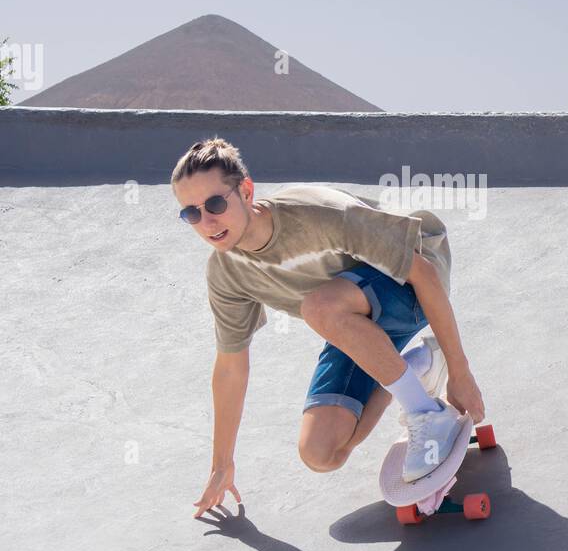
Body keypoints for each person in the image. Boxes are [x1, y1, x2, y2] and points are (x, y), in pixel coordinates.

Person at [170, 138, 485, 518]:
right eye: (191, 214)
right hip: (354, 327)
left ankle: (425, 412)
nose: (206, 222)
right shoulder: (226, 274)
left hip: (412, 287)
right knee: (321, 453)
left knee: (318, 306)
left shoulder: (316, 212)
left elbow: (424, 273)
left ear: (246, 191)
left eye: (215, 204)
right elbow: (230, 368)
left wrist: (462, 373)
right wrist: (222, 463)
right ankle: (419, 367)